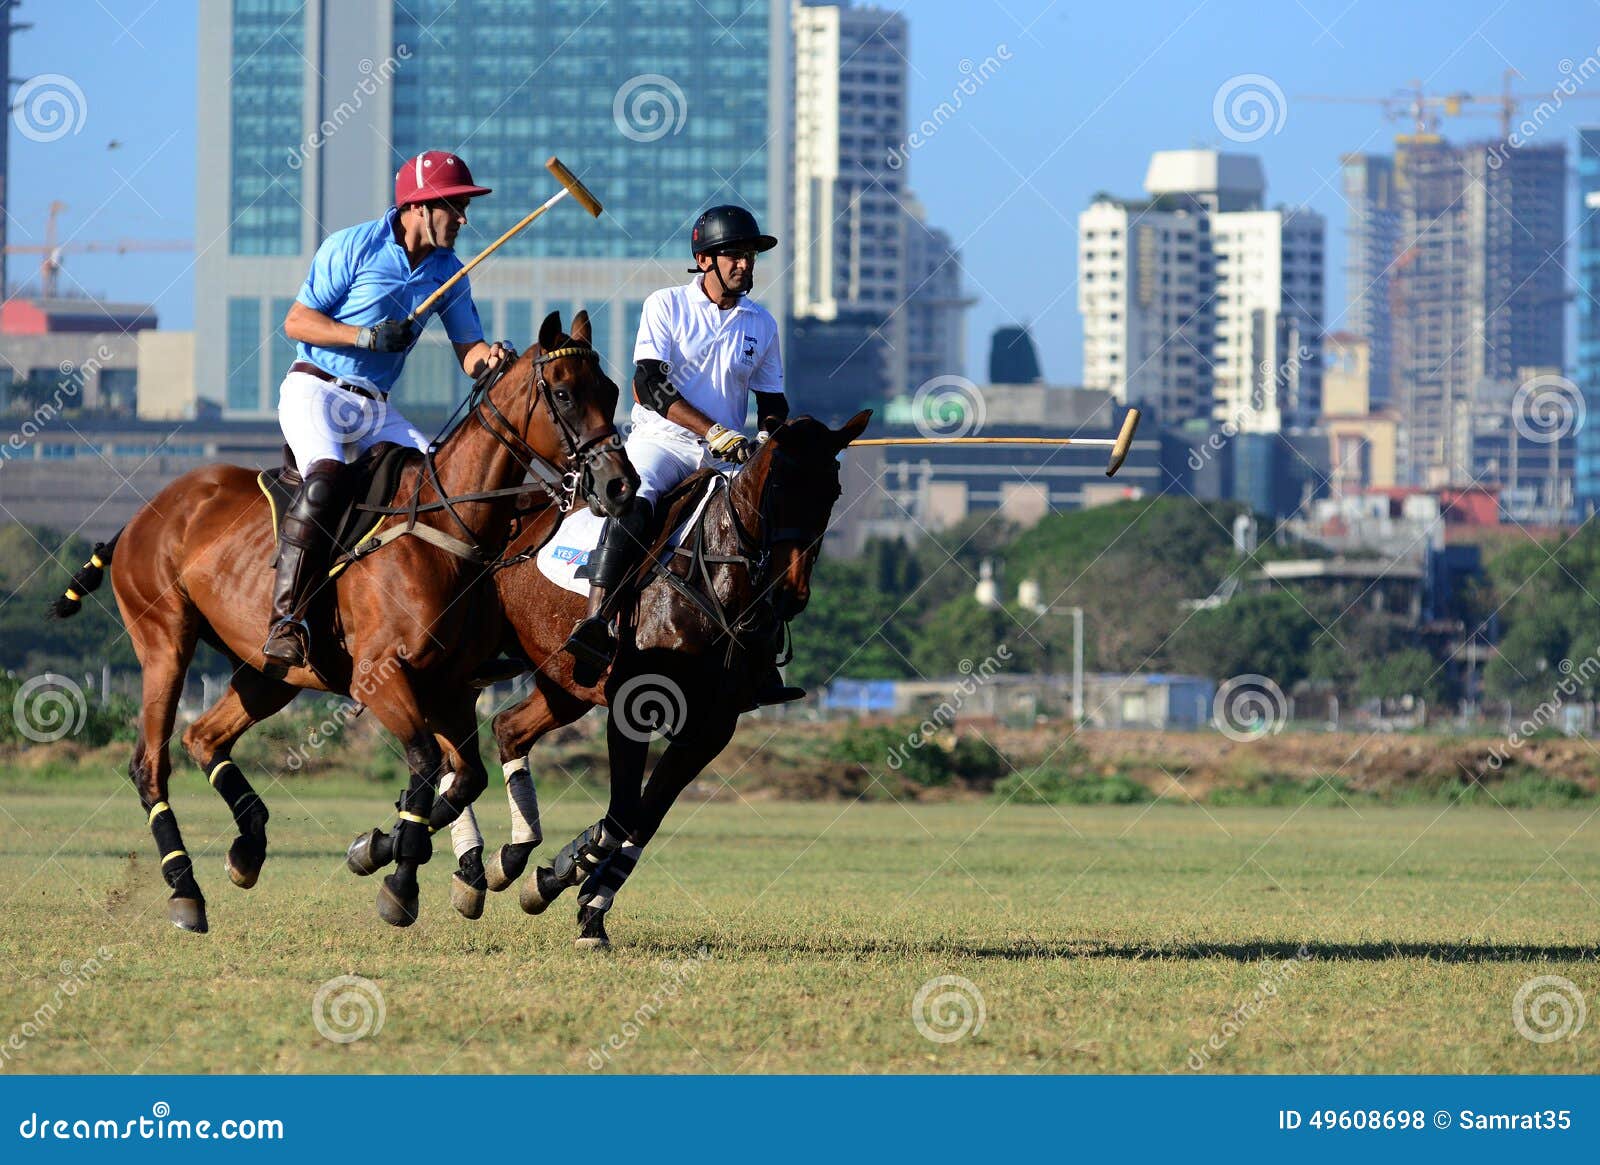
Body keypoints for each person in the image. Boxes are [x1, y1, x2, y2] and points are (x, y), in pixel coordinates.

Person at [261, 150, 516, 668]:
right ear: (420, 207)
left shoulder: (449, 271)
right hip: (317, 390)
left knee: (449, 489)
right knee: (327, 477)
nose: (464, 219)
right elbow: (296, 322)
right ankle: (286, 620)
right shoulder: (353, 246)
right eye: (456, 207)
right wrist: (365, 336)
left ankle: (474, 629)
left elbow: (470, 351)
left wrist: (490, 358)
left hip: (376, 409)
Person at [562, 204, 803, 704]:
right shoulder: (666, 305)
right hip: (663, 443)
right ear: (704, 259)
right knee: (636, 504)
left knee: (772, 528)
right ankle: (597, 621)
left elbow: (772, 402)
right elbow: (649, 384)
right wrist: (711, 429)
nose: (745, 264)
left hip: (726, 458)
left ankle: (759, 659)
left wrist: (766, 441)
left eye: (749, 256)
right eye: (733, 255)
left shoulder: (762, 324)